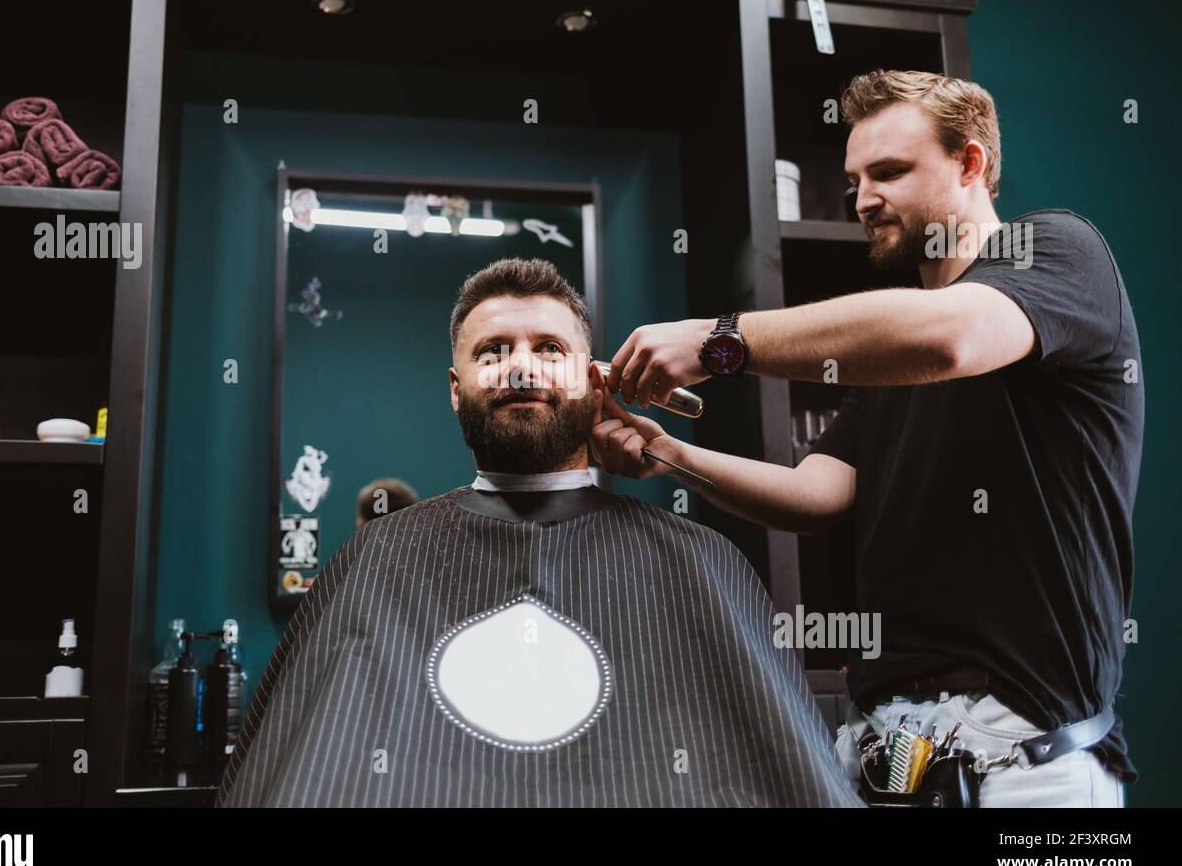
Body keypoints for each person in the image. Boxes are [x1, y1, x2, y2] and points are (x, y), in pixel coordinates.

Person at [592, 70, 1142, 807]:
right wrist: (664, 451)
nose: (863, 199)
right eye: (855, 179)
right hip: (889, 754)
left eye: (889, 172)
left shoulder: (1058, 253)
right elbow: (815, 496)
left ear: (971, 163)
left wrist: (721, 341)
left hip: (1032, 764)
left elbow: (952, 338)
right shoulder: (893, 360)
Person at [216, 258, 862, 807]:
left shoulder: (698, 559)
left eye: (549, 350)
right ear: (455, 389)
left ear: (593, 378)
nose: (521, 369)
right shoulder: (378, 557)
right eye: (493, 352)